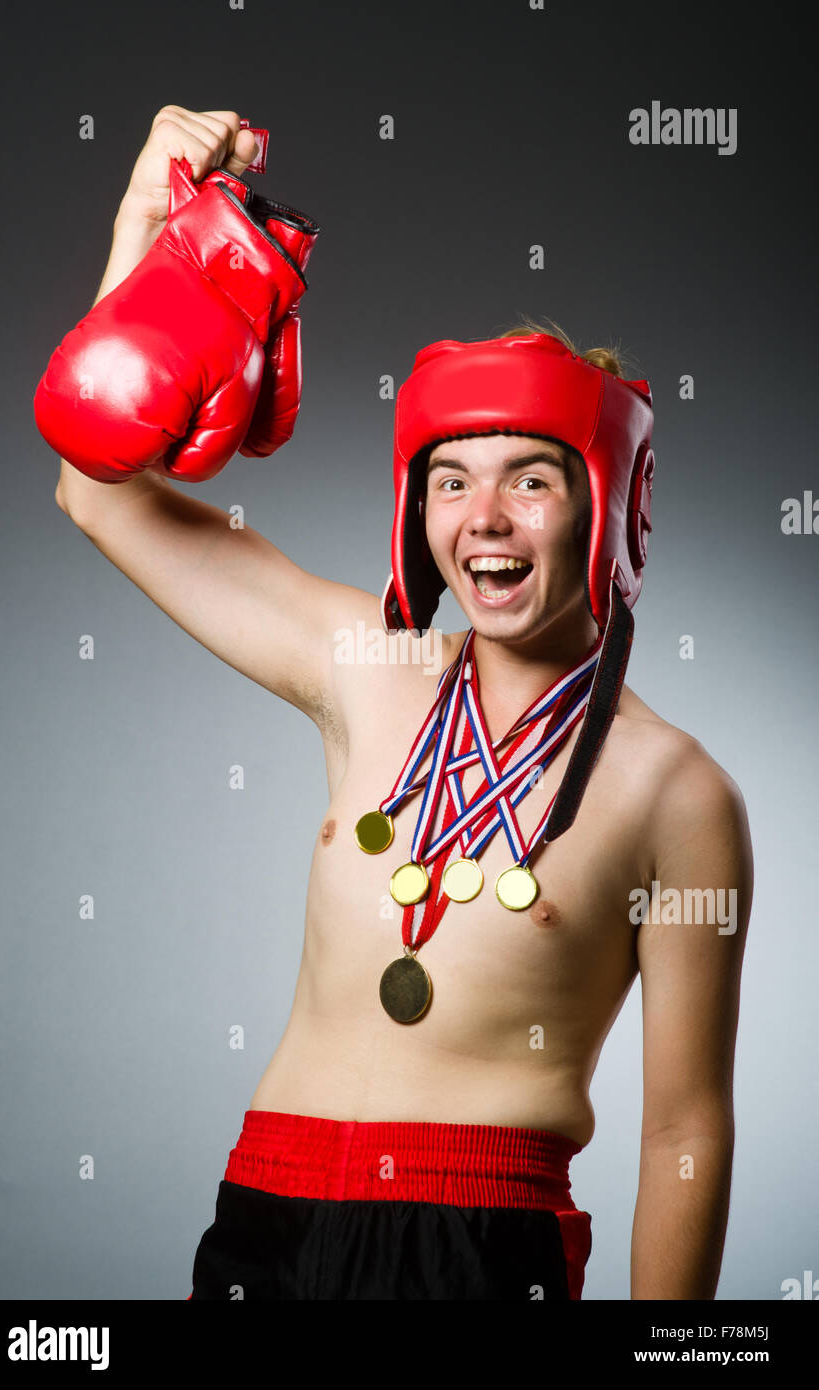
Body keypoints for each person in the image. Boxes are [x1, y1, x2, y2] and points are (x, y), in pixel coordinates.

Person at [44, 104, 753, 1301]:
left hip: (475, 1241)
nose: (483, 519)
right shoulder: (362, 665)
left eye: (531, 479)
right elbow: (95, 487)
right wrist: (144, 234)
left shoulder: (678, 792)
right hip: (266, 1211)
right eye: (449, 480)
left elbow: (688, 1128)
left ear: (608, 504)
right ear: (417, 515)